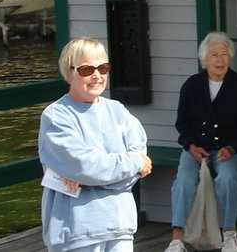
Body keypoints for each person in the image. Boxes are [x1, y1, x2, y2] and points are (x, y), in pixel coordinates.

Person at [38, 38, 153, 252]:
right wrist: (128, 166)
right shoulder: (55, 116)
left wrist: (90, 180)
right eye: (87, 69)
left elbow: (141, 161)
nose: (97, 75)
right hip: (75, 231)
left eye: (103, 68)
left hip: (119, 225)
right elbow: (85, 166)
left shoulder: (118, 110)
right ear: (69, 72)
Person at [165, 32, 237, 252]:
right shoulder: (192, 85)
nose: (220, 60)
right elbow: (182, 123)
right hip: (195, 149)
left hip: (232, 150)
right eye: (214, 55)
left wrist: (232, 147)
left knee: (227, 178)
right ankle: (177, 239)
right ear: (204, 59)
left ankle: (229, 235)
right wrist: (190, 146)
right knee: (184, 181)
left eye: (224, 54)